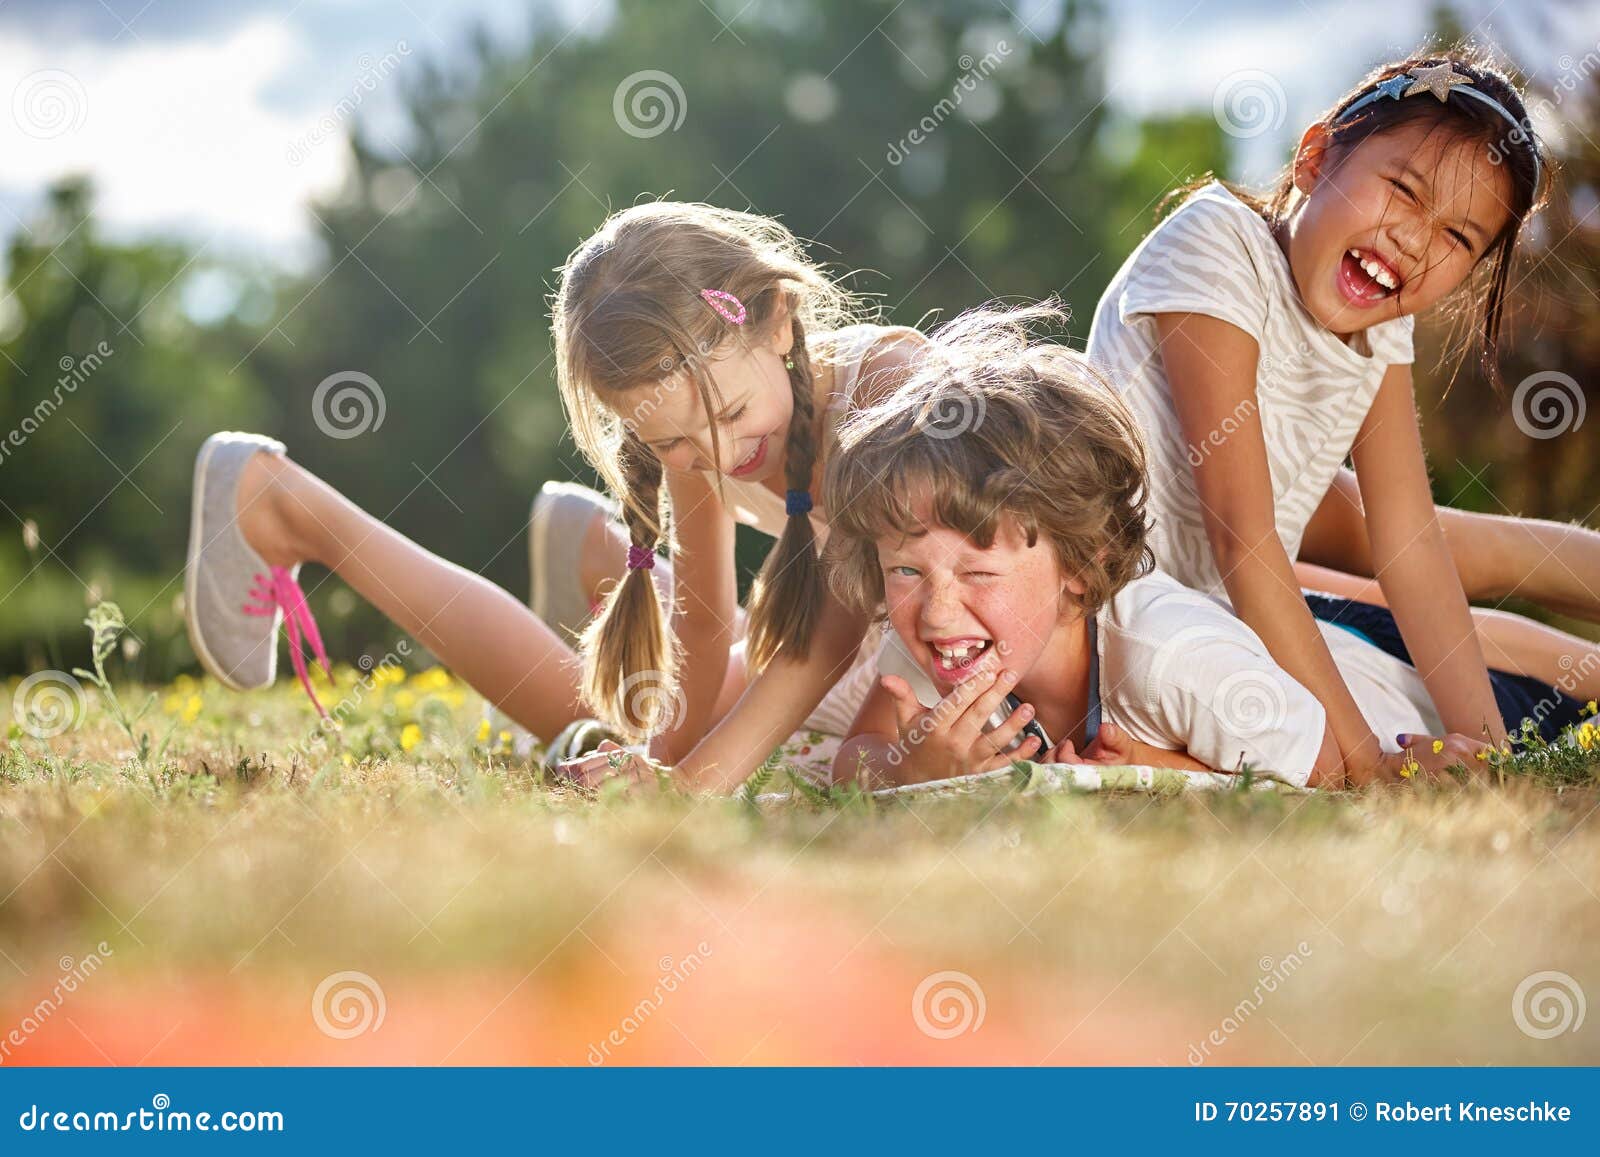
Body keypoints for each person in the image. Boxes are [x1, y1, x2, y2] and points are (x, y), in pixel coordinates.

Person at [1085, 50, 1591, 783]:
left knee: (1482, 697)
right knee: (1267, 693)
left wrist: (1487, 755)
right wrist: (1371, 765)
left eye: (1456, 238)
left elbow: (1411, 548)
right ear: (1316, 157)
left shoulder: (1382, 332)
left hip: (1231, 623)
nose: (1414, 240)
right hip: (1122, 613)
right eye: (1403, 190)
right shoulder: (1217, 243)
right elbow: (1242, 536)